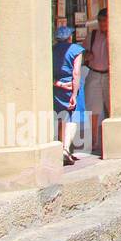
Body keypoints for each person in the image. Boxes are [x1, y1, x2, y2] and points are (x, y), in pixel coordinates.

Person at [53, 26, 85, 164]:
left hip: (57, 87)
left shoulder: (52, 50)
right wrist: (74, 94)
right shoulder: (76, 49)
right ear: (69, 37)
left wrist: (58, 84)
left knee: (61, 118)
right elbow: (76, 72)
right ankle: (65, 149)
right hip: (72, 85)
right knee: (73, 117)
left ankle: (60, 148)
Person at [84, 8, 111, 153]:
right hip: (94, 73)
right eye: (100, 21)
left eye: (104, 21)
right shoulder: (93, 35)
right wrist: (87, 55)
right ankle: (94, 140)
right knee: (93, 109)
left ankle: (110, 138)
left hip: (109, 75)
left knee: (111, 107)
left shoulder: (114, 35)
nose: (102, 24)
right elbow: (84, 52)